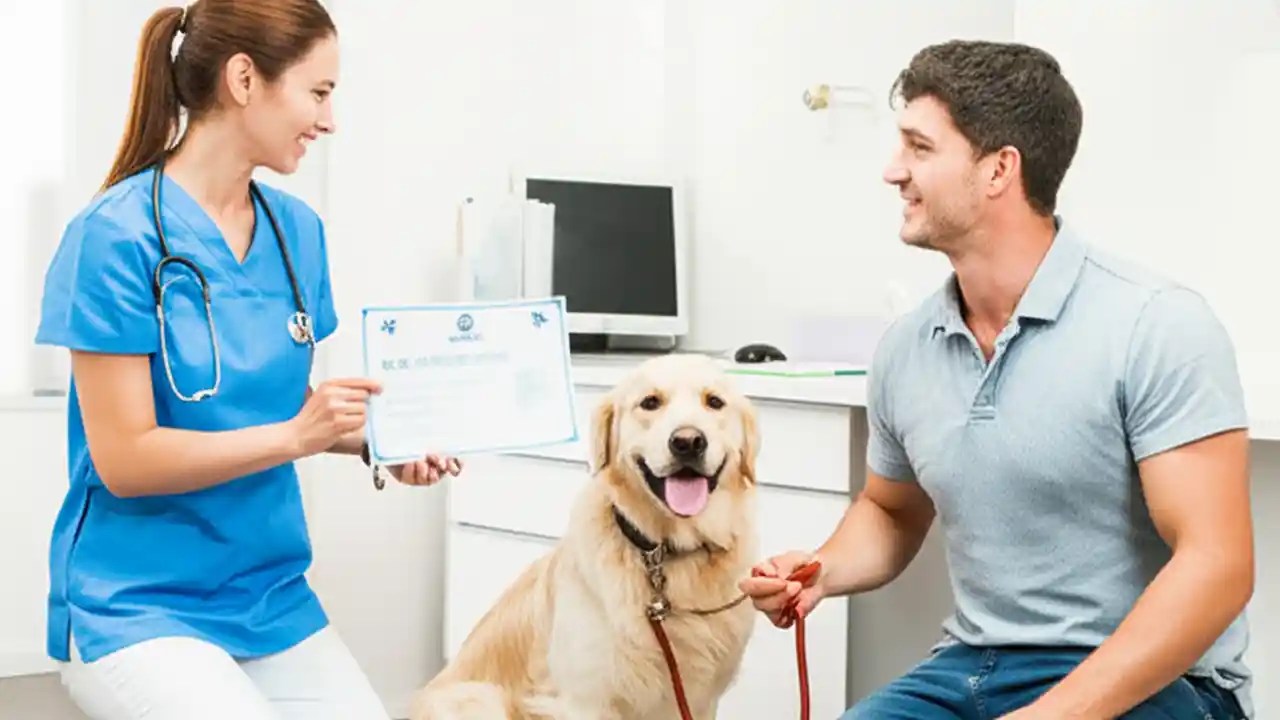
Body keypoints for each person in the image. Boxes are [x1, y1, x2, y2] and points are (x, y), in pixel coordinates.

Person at [740, 39, 1254, 719]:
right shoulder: (906, 348)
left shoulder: (1156, 326)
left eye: (920, 148)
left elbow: (1217, 567)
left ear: (999, 170)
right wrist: (822, 569)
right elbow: (892, 510)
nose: (893, 171)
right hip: (971, 670)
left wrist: (1054, 714)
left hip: (1157, 683)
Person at [33, 3, 461, 718]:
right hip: (136, 604)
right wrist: (303, 435)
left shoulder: (298, 233)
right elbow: (125, 460)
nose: (330, 120)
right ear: (243, 79)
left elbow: (275, 411)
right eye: (318, 93)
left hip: (268, 598)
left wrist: (377, 441)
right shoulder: (114, 236)